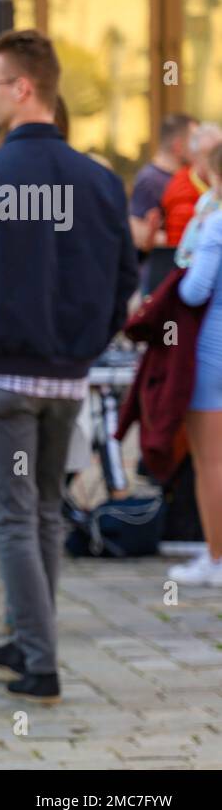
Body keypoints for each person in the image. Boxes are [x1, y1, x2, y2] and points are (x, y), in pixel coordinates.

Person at [0, 28, 138, 704]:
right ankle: (30, 641)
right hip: (68, 378)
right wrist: (84, 345)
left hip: (4, 378)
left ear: (24, 88)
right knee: (46, 514)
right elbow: (124, 283)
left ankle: (40, 660)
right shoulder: (104, 181)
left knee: (20, 519)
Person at [168, 142, 222, 586]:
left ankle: (217, 557)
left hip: (212, 354)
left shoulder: (216, 221)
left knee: (211, 462)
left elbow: (193, 290)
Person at [148, 122, 222, 292]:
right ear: (195, 157)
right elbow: (184, 258)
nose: (218, 159)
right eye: (212, 154)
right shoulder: (182, 190)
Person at [130, 113, 195, 255]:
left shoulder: (187, 175)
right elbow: (137, 233)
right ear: (178, 146)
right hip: (161, 268)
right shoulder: (149, 179)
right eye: (194, 140)